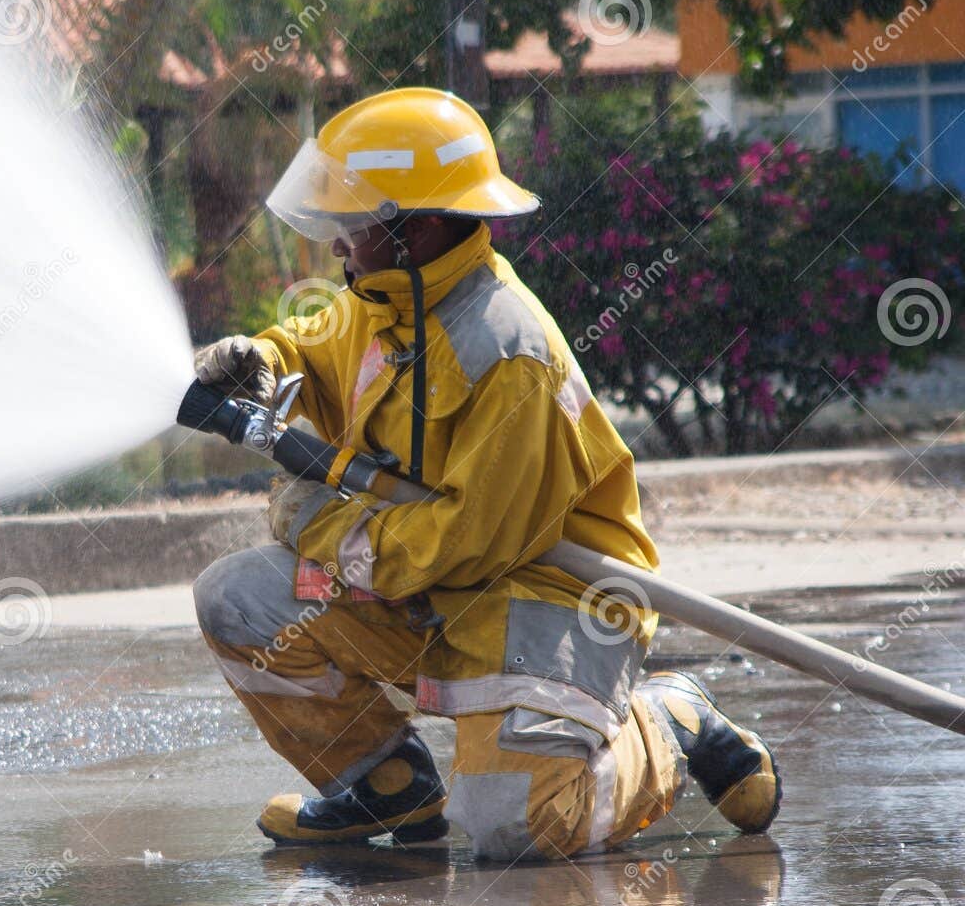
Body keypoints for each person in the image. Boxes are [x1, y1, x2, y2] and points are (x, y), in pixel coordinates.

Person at [191, 87, 780, 858]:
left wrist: (317, 521)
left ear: (419, 229)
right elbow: (315, 342)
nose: (338, 244)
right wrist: (263, 358)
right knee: (239, 600)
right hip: (433, 595)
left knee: (518, 829)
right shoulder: (385, 298)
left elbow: (466, 541)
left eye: (355, 224)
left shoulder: (506, 351)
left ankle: (667, 719)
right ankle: (388, 787)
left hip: (546, 600)